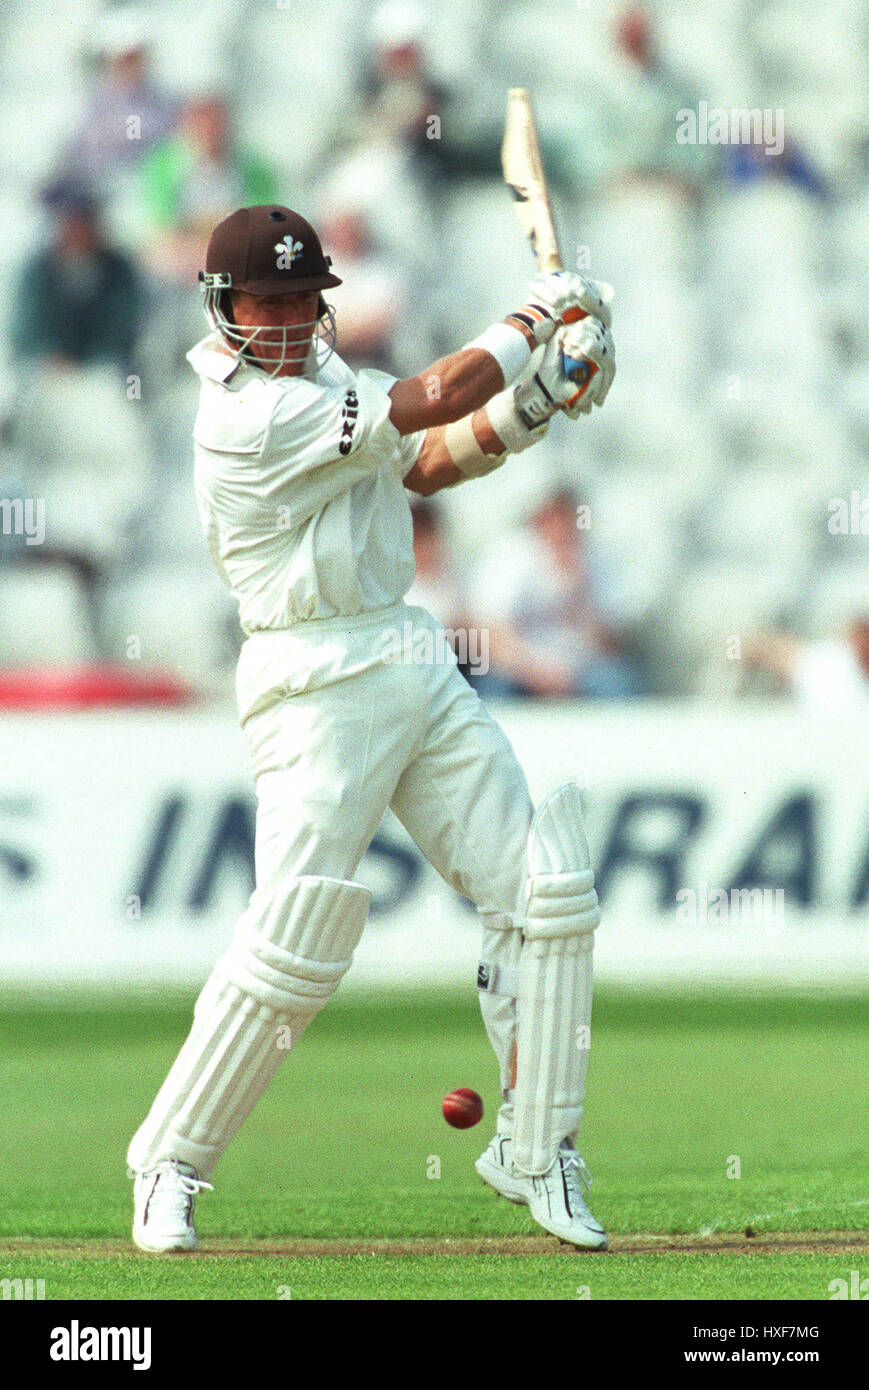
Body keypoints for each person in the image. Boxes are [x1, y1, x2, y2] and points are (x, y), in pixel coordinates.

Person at [125, 203, 616, 1253]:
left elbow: (423, 459)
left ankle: (537, 1146)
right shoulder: (241, 417)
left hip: (406, 650)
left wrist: (540, 404)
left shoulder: (322, 386)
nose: (296, 320)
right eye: (272, 301)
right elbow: (434, 393)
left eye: (308, 300)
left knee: (543, 886)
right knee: (293, 937)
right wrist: (536, 317)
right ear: (223, 307)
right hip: (310, 675)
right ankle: (169, 1163)